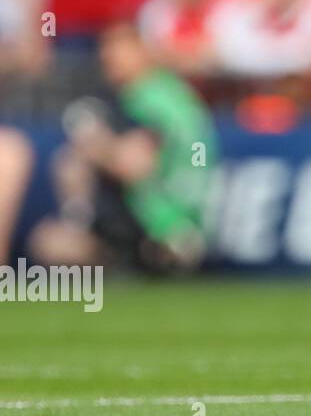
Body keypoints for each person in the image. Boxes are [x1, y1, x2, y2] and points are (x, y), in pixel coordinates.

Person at [28, 22, 218, 274]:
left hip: (163, 224)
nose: (108, 57)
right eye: (106, 49)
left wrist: (94, 145)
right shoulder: (162, 93)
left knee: (57, 242)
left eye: (118, 49)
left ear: (143, 51)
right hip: (164, 220)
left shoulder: (151, 97)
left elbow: (136, 165)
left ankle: (134, 259)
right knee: (53, 238)